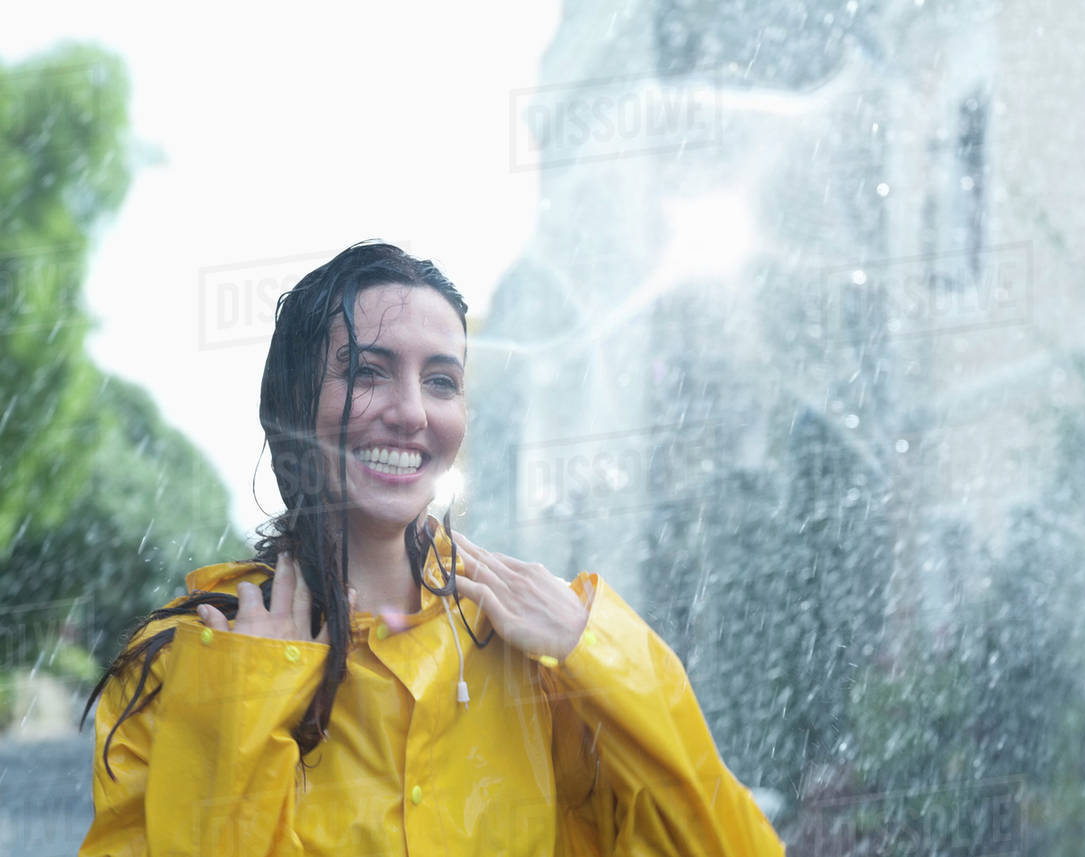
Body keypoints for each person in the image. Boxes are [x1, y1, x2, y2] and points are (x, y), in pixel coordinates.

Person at [78, 241, 784, 856]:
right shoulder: (190, 660)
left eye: (441, 381)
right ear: (292, 402)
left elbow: (721, 845)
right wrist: (242, 713)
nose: (412, 411)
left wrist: (597, 651)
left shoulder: (542, 655)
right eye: (368, 372)